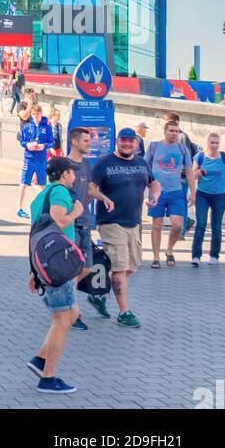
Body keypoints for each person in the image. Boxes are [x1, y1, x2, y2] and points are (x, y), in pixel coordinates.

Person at [90, 128, 160, 327]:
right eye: (124, 141)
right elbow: (91, 187)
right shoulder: (104, 163)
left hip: (134, 222)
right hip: (111, 222)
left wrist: (154, 197)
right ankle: (124, 312)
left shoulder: (141, 163)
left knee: (133, 265)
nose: (127, 144)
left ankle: (100, 293)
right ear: (117, 141)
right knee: (120, 267)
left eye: (131, 141)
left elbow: (154, 184)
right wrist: (103, 197)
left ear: (136, 143)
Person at [26, 156, 83, 395]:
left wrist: (34, 270)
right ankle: (47, 378)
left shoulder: (40, 196)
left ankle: (40, 358)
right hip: (59, 265)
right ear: (64, 174)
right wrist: (77, 211)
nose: (75, 177)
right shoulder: (60, 192)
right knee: (62, 322)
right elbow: (60, 220)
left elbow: (35, 234)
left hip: (47, 264)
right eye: (72, 172)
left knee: (72, 314)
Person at [66, 125, 113, 327]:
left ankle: (64, 301)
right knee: (70, 269)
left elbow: (90, 189)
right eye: (86, 141)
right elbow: (53, 192)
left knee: (86, 267)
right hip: (69, 224)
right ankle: (71, 312)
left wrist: (104, 198)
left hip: (85, 223)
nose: (90, 143)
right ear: (74, 142)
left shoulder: (86, 164)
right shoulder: (63, 165)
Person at [146, 119, 196, 267]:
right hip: (157, 192)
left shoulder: (183, 149)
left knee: (178, 225)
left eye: (177, 131)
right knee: (157, 224)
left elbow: (189, 172)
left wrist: (193, 192)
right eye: (171, 130)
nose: (174, 134)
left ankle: (169, 249)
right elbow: (145, 167)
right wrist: (144, 191)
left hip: (176, 191)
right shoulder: (154, 146)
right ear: (165, 131)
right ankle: (156, 257)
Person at [191, 131, 225, 264]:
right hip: (203, 195)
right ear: (207, 143)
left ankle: (214, 256)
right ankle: (196, 256)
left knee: (216, 226)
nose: (214, 145)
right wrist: (199, 172)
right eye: (212, 142)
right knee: (201, 224)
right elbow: (192, 177)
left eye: (216, 143)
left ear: (219, 144)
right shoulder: (200, 157)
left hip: (219, 196)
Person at [16, 104, 54, 217]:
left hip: (41, 159)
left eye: (37, 114)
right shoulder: (27, 127)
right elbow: (22, 140)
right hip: (29, 159)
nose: (35, 116)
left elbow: (51, 141)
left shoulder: (46, 127)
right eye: (33, 114)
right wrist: (27, 144)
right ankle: (19, 208)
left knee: (42, 184)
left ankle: (45, 209)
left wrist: (44, 146)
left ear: (41, 114)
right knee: (24, 183)